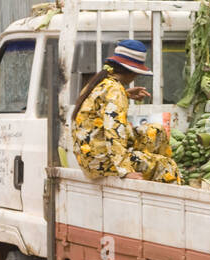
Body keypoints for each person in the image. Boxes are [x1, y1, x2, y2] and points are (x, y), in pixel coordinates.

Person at [72, 39, 182, 184]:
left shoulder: (99, 84)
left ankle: (147, 167)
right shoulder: (115, 91)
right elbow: (114, 132)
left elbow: (101, 106)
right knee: (168, 167)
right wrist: (125, 170)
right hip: (101, 162)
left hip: (89, 158)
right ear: (131, 71)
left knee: (156, 131)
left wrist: (127, 93)